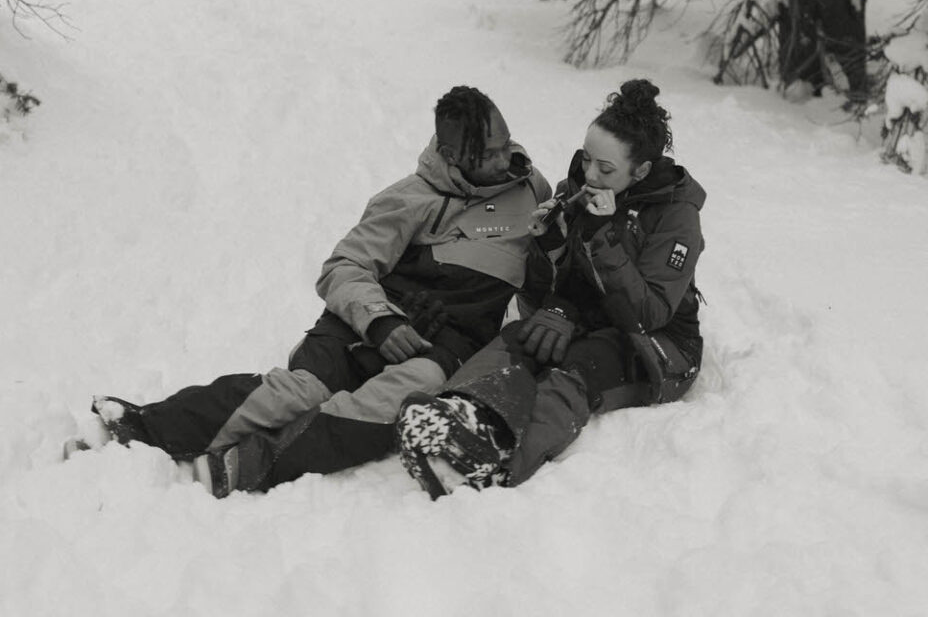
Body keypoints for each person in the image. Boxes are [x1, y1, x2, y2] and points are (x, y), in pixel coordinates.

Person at [83, 84, 551, 496]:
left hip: (445, 343)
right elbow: (343, 267)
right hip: (369, 326)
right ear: (452, 157)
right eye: (487, 153)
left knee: (406, 393)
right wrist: (381, 320)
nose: (503, 157)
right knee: (298, 391)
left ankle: (253, 462)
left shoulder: (530, 186)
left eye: (504, 142)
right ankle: (142, 426)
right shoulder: (409, 200)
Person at [396, 78, 705, 497]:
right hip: (592, 315)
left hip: (658, 344)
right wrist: (550, 248)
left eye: (605, 168)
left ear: (642, 171)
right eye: (587, 158)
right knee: (522, 337)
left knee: (578, 362)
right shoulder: (581, 186)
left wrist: (600, 237)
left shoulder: (676, 217)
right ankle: (456, 414)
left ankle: (498, 459)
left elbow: (649, 312)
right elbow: (549, 292)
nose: (589, 174)